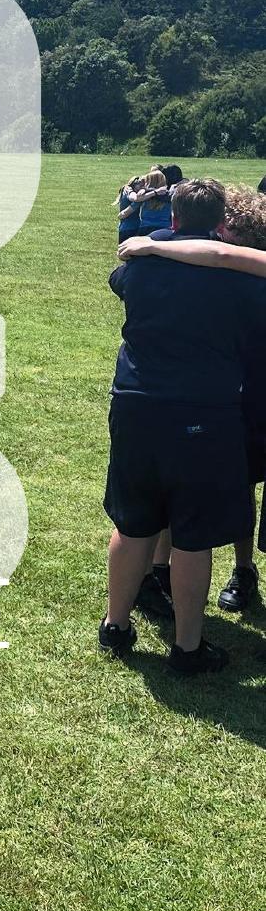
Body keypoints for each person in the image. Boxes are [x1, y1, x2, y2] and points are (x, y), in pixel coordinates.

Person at [101, 179, 266, 673]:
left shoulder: (138, 266)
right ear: (220, 224)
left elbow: (117, 277)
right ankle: (187, 648)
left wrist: (154, 244)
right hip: (203, 411)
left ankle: (115, 626)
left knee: (132, 522)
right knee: (194, 534)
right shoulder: (241, 279)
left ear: (172, 217)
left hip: (135, 403)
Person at [135, 168, 172, 236]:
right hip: (164, 229)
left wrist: (149, 192)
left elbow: (138, 198)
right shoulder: (169, 195)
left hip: (145, 229)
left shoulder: (145, 195)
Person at [115, 175, 145, 242]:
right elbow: (124, 214)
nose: (142, 187)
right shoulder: (134, 197)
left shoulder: (125, 191)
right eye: (141, 185)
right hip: (131, 227)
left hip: (125, 227)